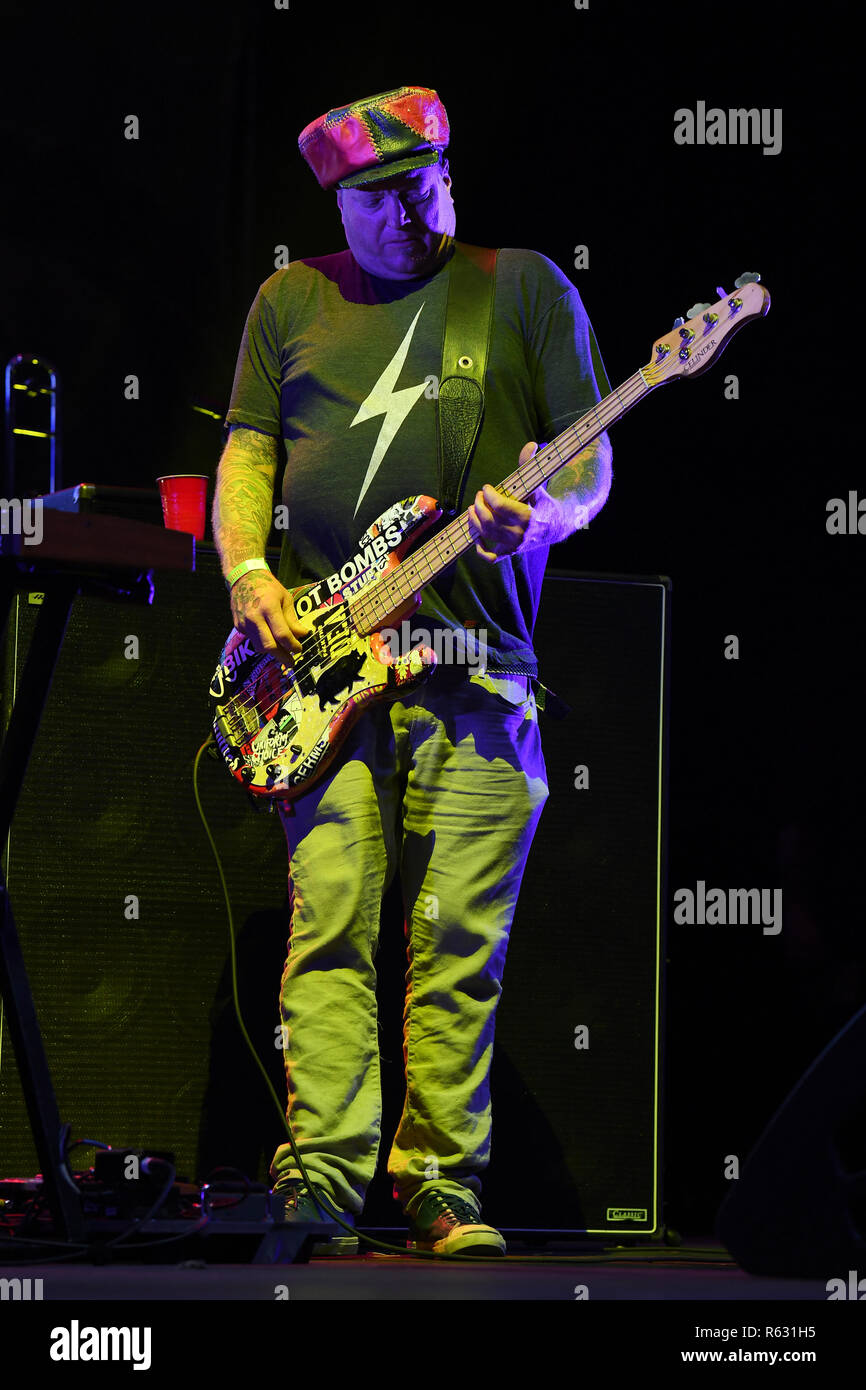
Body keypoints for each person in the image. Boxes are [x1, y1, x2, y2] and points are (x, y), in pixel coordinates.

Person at [212, 85, 613, 1257]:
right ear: (335, 202)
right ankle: (321, 1182)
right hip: (321, 669)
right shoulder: (290, 299)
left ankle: (440, 1183)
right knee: (329, 922)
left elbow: (587, 465)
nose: (404, 213)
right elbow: (247, 449)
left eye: (421, 185)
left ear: (448, 172)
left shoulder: (521, 287)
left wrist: (537, 520)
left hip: (475, 666)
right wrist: (246, 571)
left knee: (457, 944)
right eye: (375, 197)